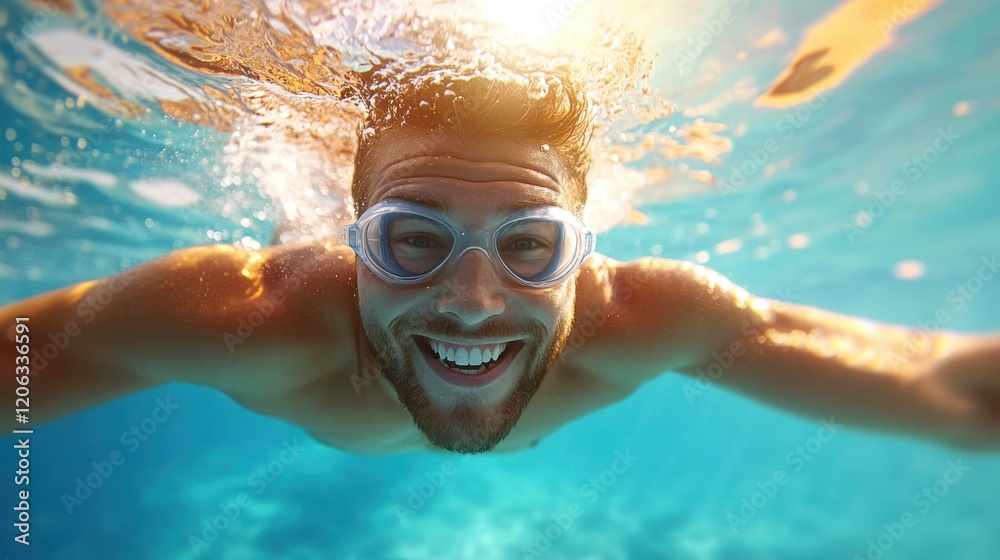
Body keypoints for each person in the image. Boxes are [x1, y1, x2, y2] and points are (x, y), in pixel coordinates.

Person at [3, 63, 999, 456]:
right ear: (354, 241)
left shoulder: (651, 318)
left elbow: (951, 387)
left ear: (582, 249)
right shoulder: (239, 311)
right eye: (412, 236)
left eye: (529, 243)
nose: (472, 300)